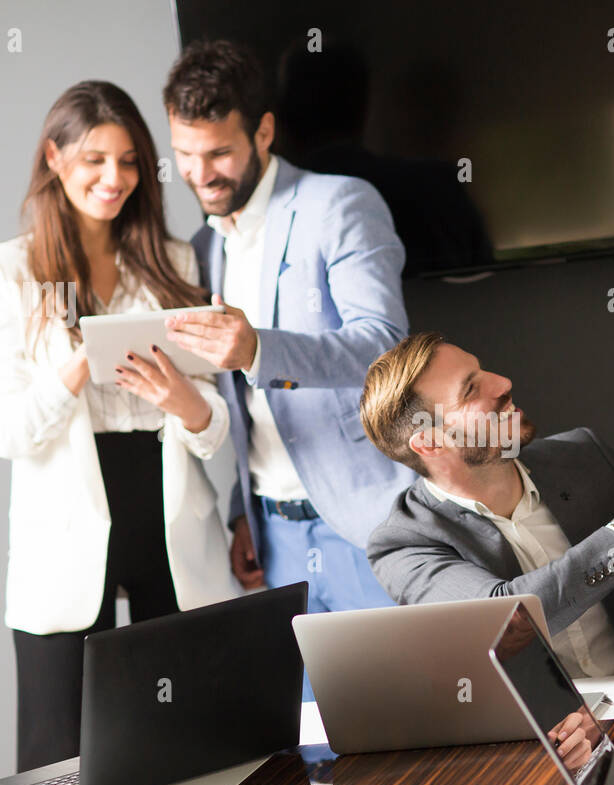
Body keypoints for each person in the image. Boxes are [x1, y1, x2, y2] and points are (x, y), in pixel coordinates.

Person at [0, 81, 240, 776]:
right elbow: (7, 431)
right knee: (56, 767)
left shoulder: (176, 261)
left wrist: (184, 401)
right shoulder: (6, 270)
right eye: (93, 160)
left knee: (186, 754)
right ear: (53, 159)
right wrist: (79, 366)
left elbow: (214, 424)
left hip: (169, 520)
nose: (113, 179)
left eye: (129, 162)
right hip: (66, 533)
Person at [159, 42, 414, 698]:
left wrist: (257, 351)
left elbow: (384, 346)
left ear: (263, 130)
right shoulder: (200, 248)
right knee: (307, 750)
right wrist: (247, 511)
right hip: (270, 542)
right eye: (185, 156)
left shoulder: (340, 203)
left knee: (403, 730)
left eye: (218, 153)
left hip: (364, 523)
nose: (200, 174)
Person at [361, 333, 614, 679]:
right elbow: (509, 619)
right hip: (540, 739)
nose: (502, 383)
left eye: (483, 372)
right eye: (470, 390)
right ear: (429, 443)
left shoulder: (585, 459)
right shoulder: (402, 543)